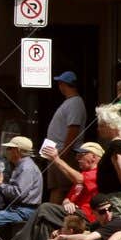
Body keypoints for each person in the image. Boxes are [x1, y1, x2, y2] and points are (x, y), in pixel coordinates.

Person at [85, 104, 121, 222]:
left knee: (118, 226)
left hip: (115, 197)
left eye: (102, 126)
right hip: (117, 195)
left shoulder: (116, 144)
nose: (99, 129)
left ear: (112, 126)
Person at [43, 72, 88, 200]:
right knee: (56, 188)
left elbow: (73, 128)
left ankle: (56, 218)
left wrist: (64, 151)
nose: (59, 86)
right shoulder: (69, 102)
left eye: (60, 83)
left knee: (62, 189)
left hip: (64, 153)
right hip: (57, 152)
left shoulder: (75, 103)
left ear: (63, 85)